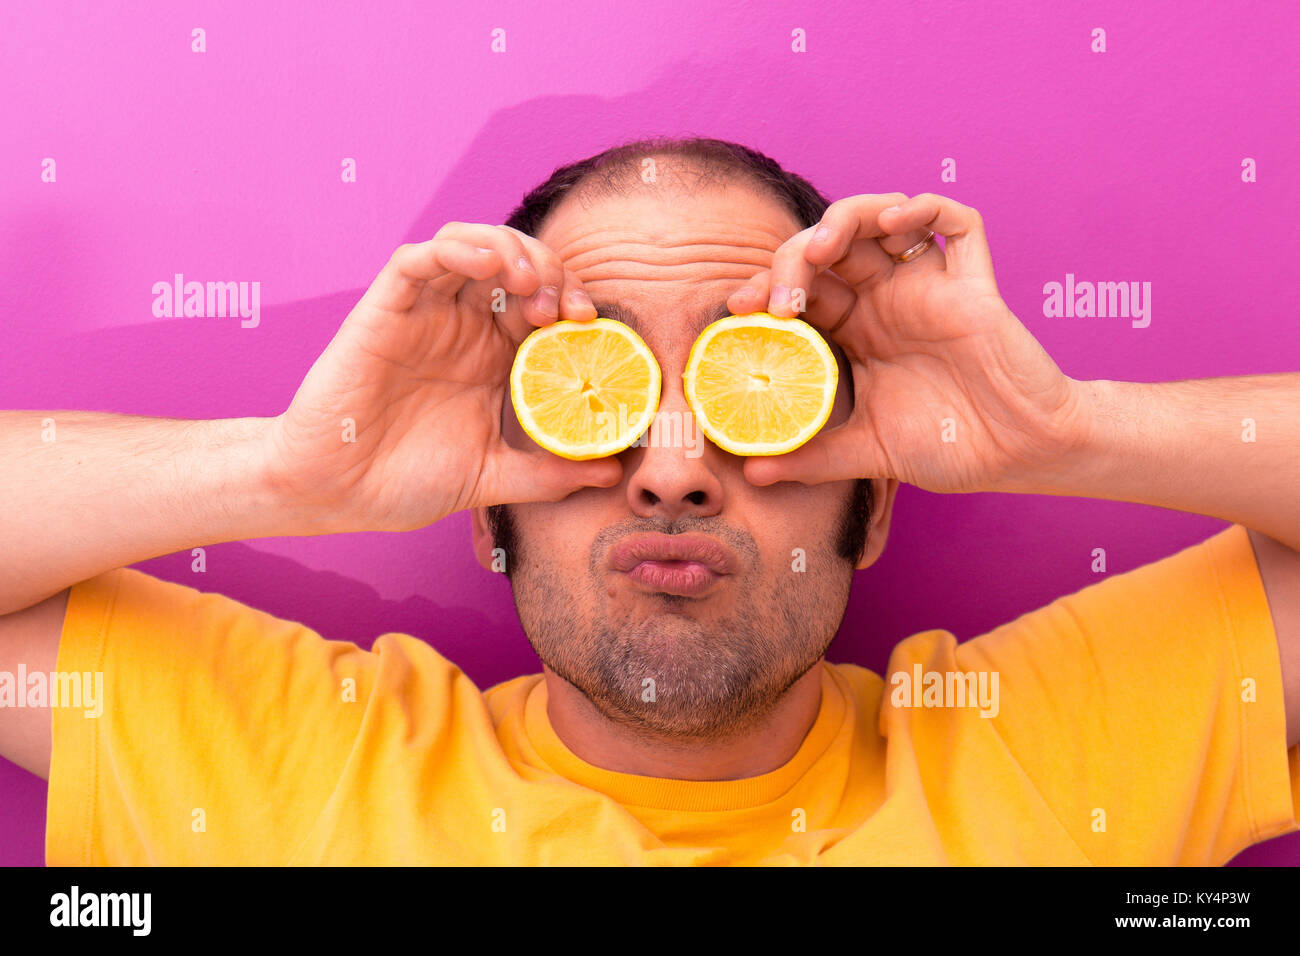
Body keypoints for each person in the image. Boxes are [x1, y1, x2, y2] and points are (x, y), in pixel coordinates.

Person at [1, 137, 1297, 865]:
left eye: (752, 384)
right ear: (486, 516)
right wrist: (294, 467)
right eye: (597, 385)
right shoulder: (298, 762)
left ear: (875, 505)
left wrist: (1060, 430)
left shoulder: (1050, 750)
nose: (674, 467)